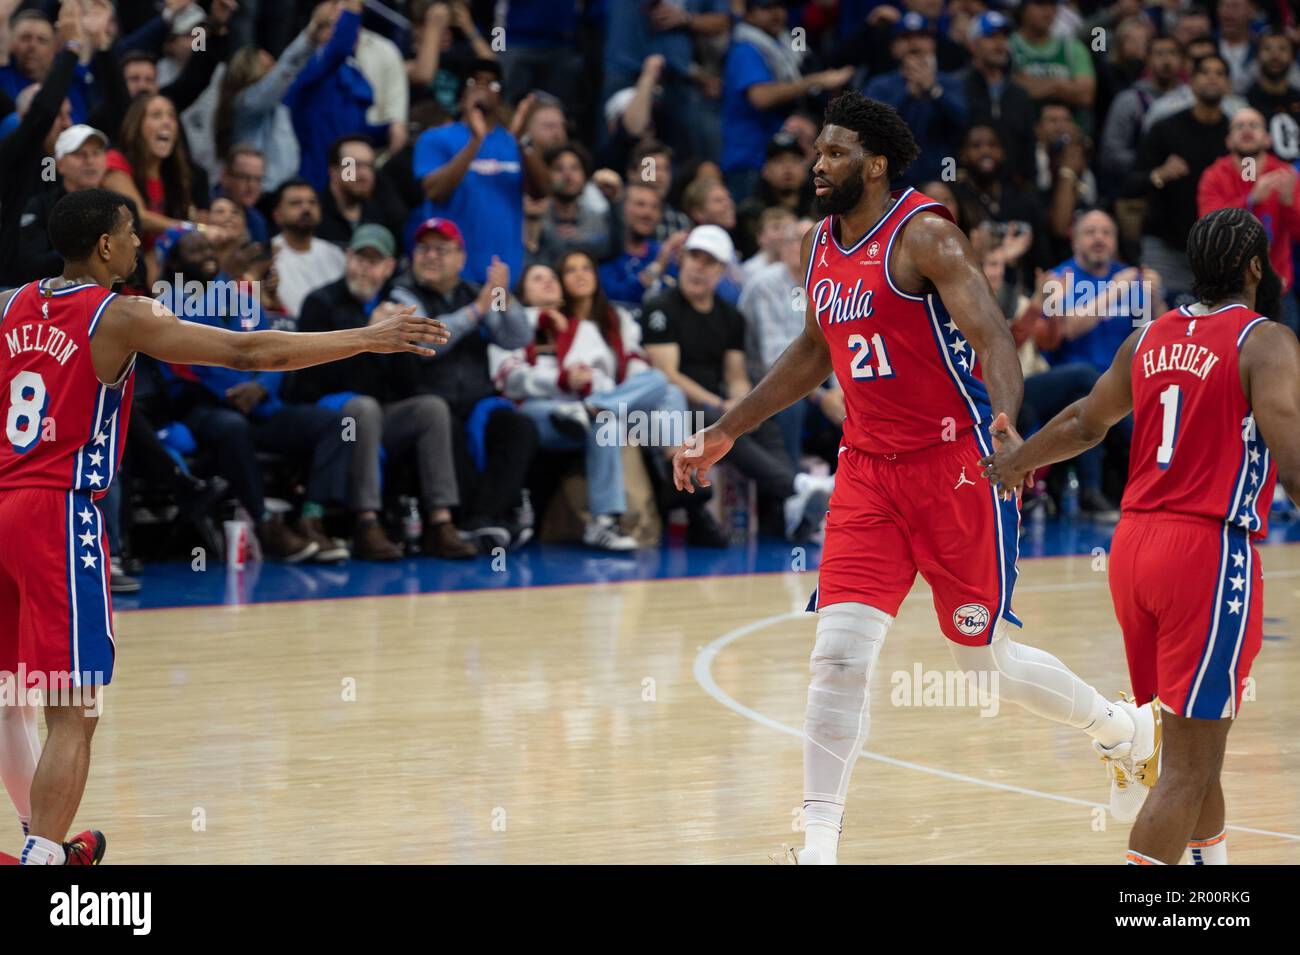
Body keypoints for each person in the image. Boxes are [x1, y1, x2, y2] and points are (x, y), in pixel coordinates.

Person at [673, 92, 1147, 865]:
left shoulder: (925, 235)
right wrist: (728, 427)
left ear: (876, 163)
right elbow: (812, 352)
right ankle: (818, 844)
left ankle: (1121, 730)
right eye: (816, 152)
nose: (816, 164)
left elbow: (992, 334)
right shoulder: (818, 246)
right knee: (837, 656)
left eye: (832, 153)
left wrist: (1004, 415)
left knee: (982, 662)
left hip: (954, 467)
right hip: (865, 472)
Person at [0, 187, 446, 865]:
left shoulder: (10, 303)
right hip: (56, 512)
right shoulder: (118, 314)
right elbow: (246, 353)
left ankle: (44, 841)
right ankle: (41, 861)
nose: (138, 246)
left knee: (9, 695)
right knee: (74, 706)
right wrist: (367, 338)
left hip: (3, 506)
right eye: (130, 234)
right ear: (104, 248)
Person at [980, 206, 1295, 866]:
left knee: (1188, 750)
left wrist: (1018, 461)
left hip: (1134, 550)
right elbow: (1291, 450)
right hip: (1206, 555)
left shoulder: (1147, 338)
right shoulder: (1264, 341)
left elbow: (1085, 422)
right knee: (1185, 766)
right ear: (1254, 270)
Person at [492, 250, 686, 550]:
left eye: (552, 278)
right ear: (523, 289)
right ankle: (675, 466)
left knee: (654, 386)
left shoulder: (584, 327)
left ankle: (602, 524)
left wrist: (589, 385)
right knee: (600, 411)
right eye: (537, 278)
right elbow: (506, 377)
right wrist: (561, 380)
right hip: (535, 412)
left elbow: (603, 378)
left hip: (585, 411)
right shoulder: (510, 322)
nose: (548, 283)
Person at [649, 224, 831, 542]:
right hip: (674, 406)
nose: (699, 268)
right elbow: (668, 374)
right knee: (719, 423)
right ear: (683, 260)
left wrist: (739, 403)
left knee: (763, 419)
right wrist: (724, 408)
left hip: (716, 400)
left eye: (709, 262)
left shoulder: (730, 317)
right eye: (694, 257)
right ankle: (795, 487)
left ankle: (789, 503)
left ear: (721, 270)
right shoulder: (661, 307)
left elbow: (735, 375)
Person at [413, 58, 548, 283]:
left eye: (492, 84)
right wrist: (476, 141)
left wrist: (523, 140)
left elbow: (541, 191)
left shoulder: (513, 143)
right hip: (450, 278)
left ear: (501, 97)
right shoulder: (435, 138)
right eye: (475, 81)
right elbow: (434, 191)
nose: (483, 89)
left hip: (504, 275)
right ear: (461, 92)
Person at [269, 178, 347, 317]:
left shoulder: (335, 254)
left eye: (312, 202)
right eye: (295, 203)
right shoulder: (267, 256)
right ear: (277, 215)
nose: (306, 208)